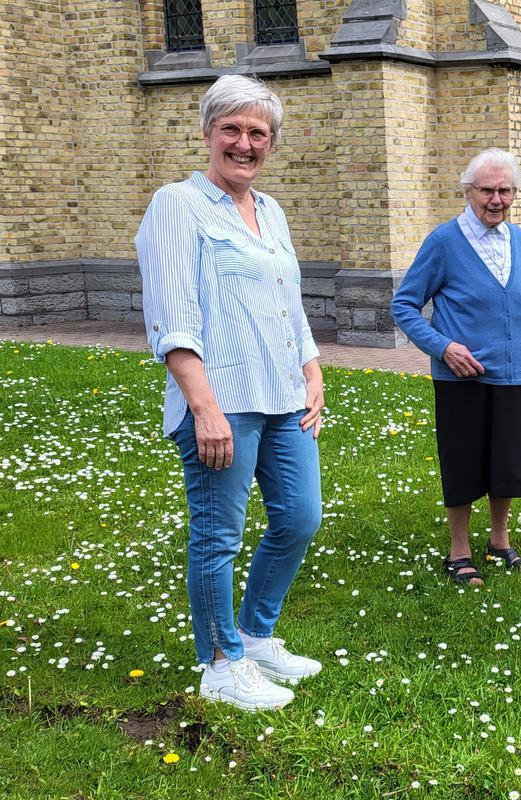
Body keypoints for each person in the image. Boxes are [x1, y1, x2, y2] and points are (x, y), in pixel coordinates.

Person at [135, 75, 325, 711]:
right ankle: (220, 663)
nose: (245, 144)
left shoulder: (270, 212)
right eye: (233, 130)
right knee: (218, 535)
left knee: (300, 518)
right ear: (208, 133)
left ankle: (255, 632)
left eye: (258, 134)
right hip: (221, 402)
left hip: (283, 396)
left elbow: (288, 303)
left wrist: (312, 369)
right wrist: (203, 406)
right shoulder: (176, 205)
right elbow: (170, 318)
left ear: (271, 143)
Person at [391, 148, 521, 587]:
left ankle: (500, 541)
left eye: (505, 190)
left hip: (514, 373)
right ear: (468, 191)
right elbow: (403, 305)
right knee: (463, 463)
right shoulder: (444, 241)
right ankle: (458, 551)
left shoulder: (520, 240)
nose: (496, 199)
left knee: (507, 464)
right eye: (487, 190)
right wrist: (443, 349)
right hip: (463, 377)